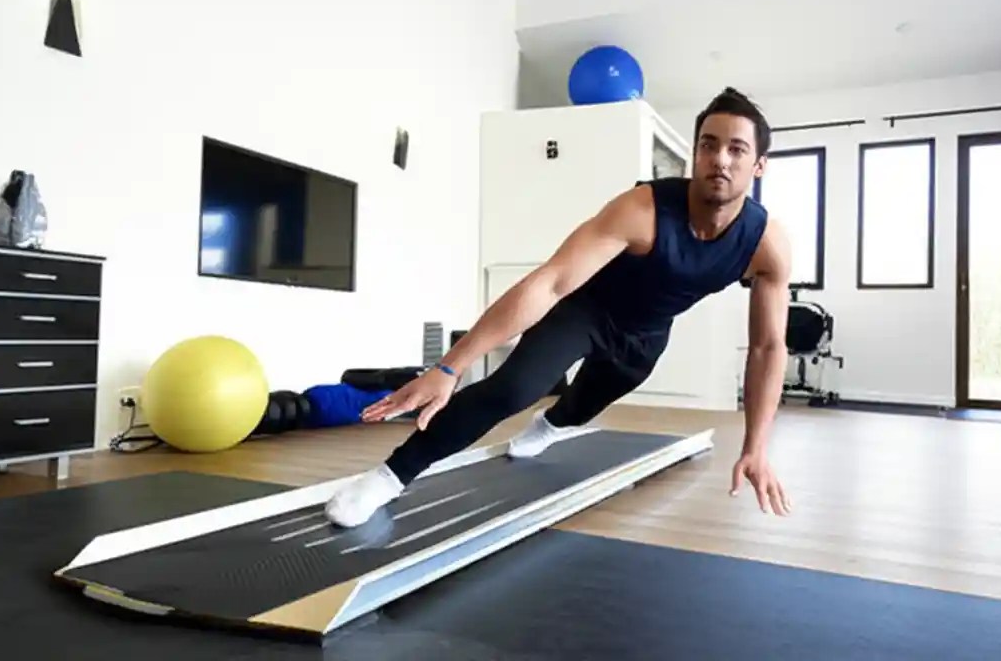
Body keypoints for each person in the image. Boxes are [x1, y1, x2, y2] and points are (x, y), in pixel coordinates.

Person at [325, 86, 793, 527]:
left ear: (758, 166)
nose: (719, 160)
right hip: (585, 309)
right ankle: (388, 477)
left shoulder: (766, 245)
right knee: (512, 388)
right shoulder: (642, 210)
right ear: (695, 152)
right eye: (708, 145)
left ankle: (549, 425)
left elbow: (768, 348)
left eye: (736, 149)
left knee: (581, 408)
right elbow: (549, 283)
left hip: (646, 337)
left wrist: (756, 446)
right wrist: (449, 368)